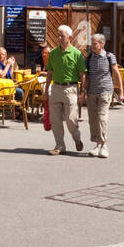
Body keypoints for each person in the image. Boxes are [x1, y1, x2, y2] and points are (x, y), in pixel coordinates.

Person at [44, 25, 85, 155]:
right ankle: (60, 146)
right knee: (55, 119)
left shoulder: (77, 54)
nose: (59, 38)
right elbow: (49, 72)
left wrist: (83, 92)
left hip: (71, 88)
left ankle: (76, 137)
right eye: (58, 35)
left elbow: (82, 74)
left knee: (71, 119)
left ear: (70, 38)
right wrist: (46, 90)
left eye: (62, 35)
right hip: (56, 87)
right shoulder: (53, 53)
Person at [81, 33, 123, 157]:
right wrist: (83, 92)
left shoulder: (109, 57)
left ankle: (104, 145)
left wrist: (121, 91)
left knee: (102, 117)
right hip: (91, 92)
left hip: (105, 91)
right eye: (92, 43)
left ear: (102, 44)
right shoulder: (89, 58)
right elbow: (86, 77)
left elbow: (116, 74)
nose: (92, 46)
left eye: (95, 43)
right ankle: (97, 144)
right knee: (92, 119)